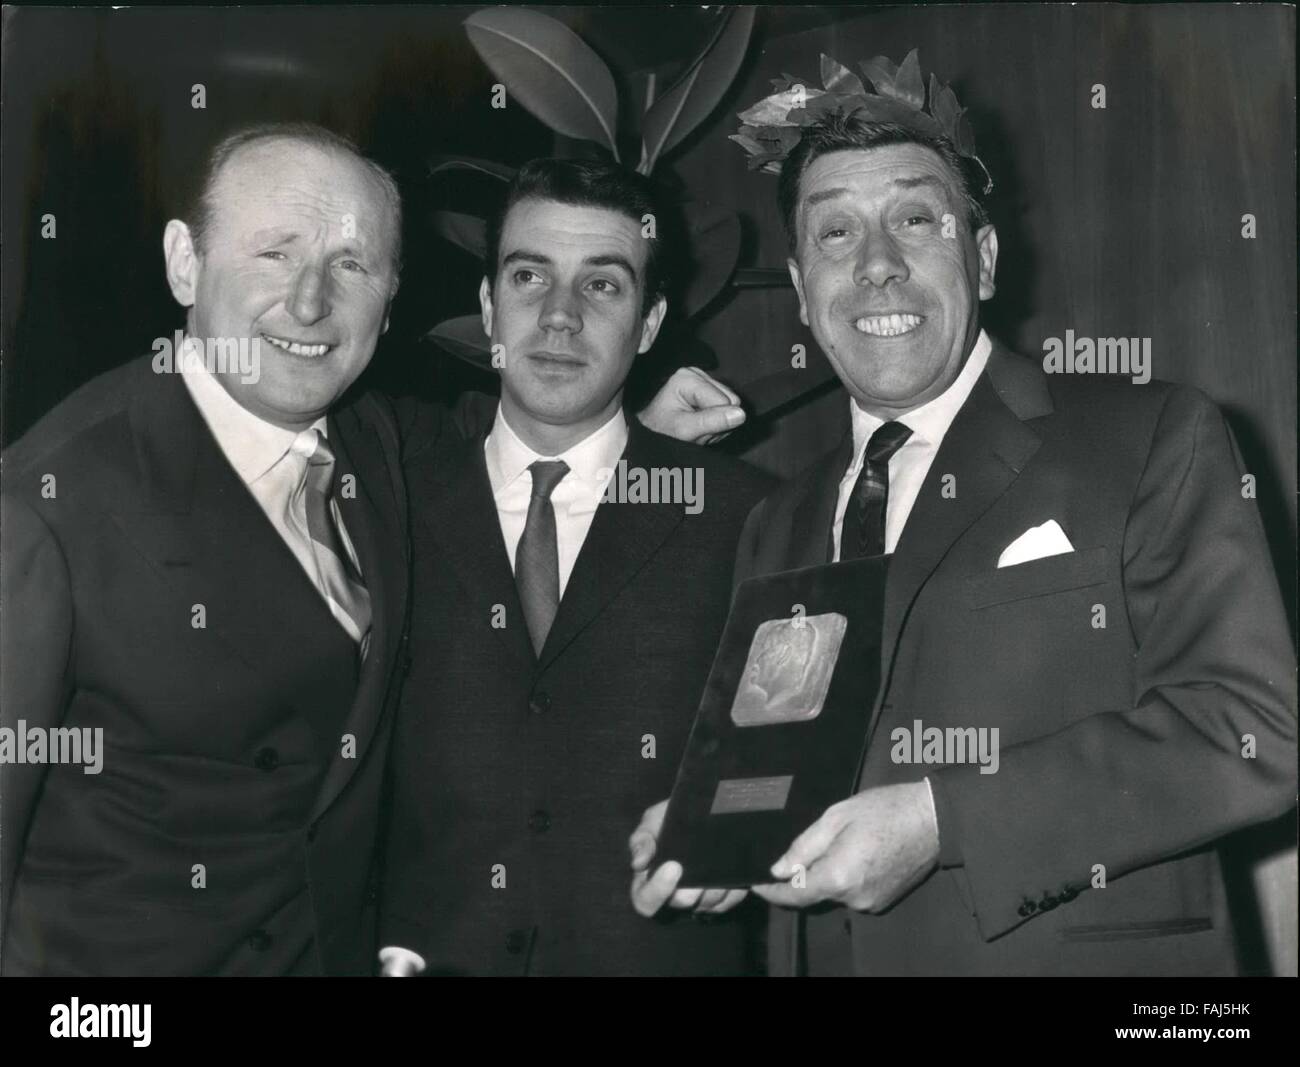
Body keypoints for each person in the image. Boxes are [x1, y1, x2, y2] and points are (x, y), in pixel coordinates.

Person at [0, 122, 743, 976]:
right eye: (274, 254)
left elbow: (543, 448)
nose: (309, 303)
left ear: (391, 300)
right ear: (183, 262)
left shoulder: (377, 445)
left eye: (350, 266)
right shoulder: (44, 504)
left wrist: (635, 442)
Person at [631, 82, 1296, 975]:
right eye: (834, 232)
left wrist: (943, 820)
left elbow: (1253, 729)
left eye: (915, 220)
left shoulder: (1151, 438)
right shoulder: (776, 523)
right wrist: (714, 839)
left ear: (982, 260)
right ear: (798, 288)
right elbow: (790, 765)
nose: (874, 263)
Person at [378, 158, 773, 976]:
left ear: (652, 322)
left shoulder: (750, 516)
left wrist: (737, 821)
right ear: (489, 306)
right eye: (529, 276)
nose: (558, 317)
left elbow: (805, 747)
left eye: (603, 286)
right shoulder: (389, 506)